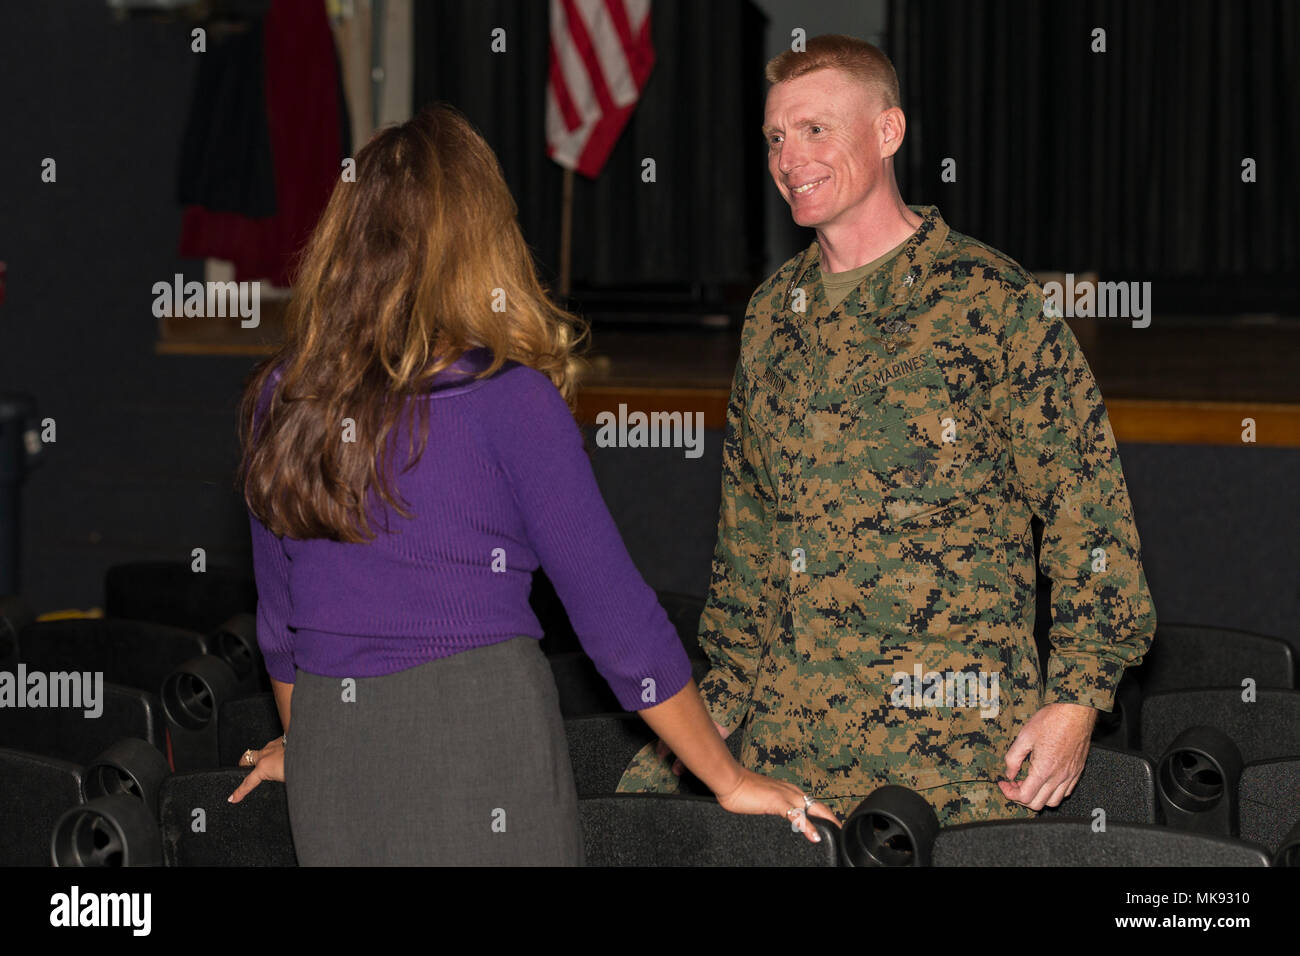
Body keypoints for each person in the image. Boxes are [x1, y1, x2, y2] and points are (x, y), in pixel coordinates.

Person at [227, 103, 838, 864]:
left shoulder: (281, 397)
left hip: (332, 751)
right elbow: (618, 622)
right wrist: (726, 775)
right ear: (485, 244)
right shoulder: (509, 401)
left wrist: (311, 738)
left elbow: (280, 629)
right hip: (481, 740)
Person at [618, 35, 1156, 827]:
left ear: (887, 132)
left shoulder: (991, 301)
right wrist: (721, 706)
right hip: (794, 753)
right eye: (774, 136)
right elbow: (750, 529)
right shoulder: (774, 314)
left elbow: (1089, 513)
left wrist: (1076, 702)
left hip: (956, 762)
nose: (788, 157)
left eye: (815, 129)